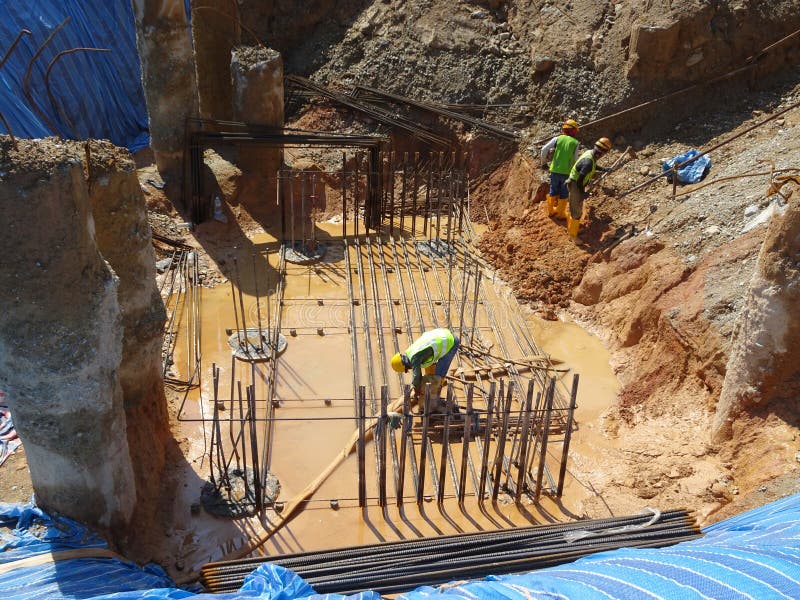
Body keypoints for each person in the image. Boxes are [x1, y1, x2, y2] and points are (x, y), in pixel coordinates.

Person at [390, 328, 459, 413]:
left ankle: (433, 404)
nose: (409, 369)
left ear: (405, 365)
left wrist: (416, 390)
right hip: (445, 335)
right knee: (431, 372)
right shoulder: (410, 351)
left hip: (451, 342)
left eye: (407, 369)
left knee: (438, 376)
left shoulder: (414, 358)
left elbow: (417, 377)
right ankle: (432, 395)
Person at [566, 137, 612, 237]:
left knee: (575, 208)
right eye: (605, 153)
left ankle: (573, 227)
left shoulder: (591, 154)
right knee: (577, 211)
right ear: (602, 152)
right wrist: (583, 193)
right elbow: (579, 181)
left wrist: (604, 169)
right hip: (575, 185)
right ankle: (573, 235)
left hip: (576, 183)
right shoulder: (588, 162)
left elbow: (593, 165)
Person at [540, 119, 581, 219]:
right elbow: (576, 160)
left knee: (553, 190)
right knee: (564, 193)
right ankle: (560, 214)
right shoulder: (575, 143)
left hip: (554, 170)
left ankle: (551, 211)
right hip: (567, 173)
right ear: (574, 131)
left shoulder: (557, 139)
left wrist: (544, 163)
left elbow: (544, 149)